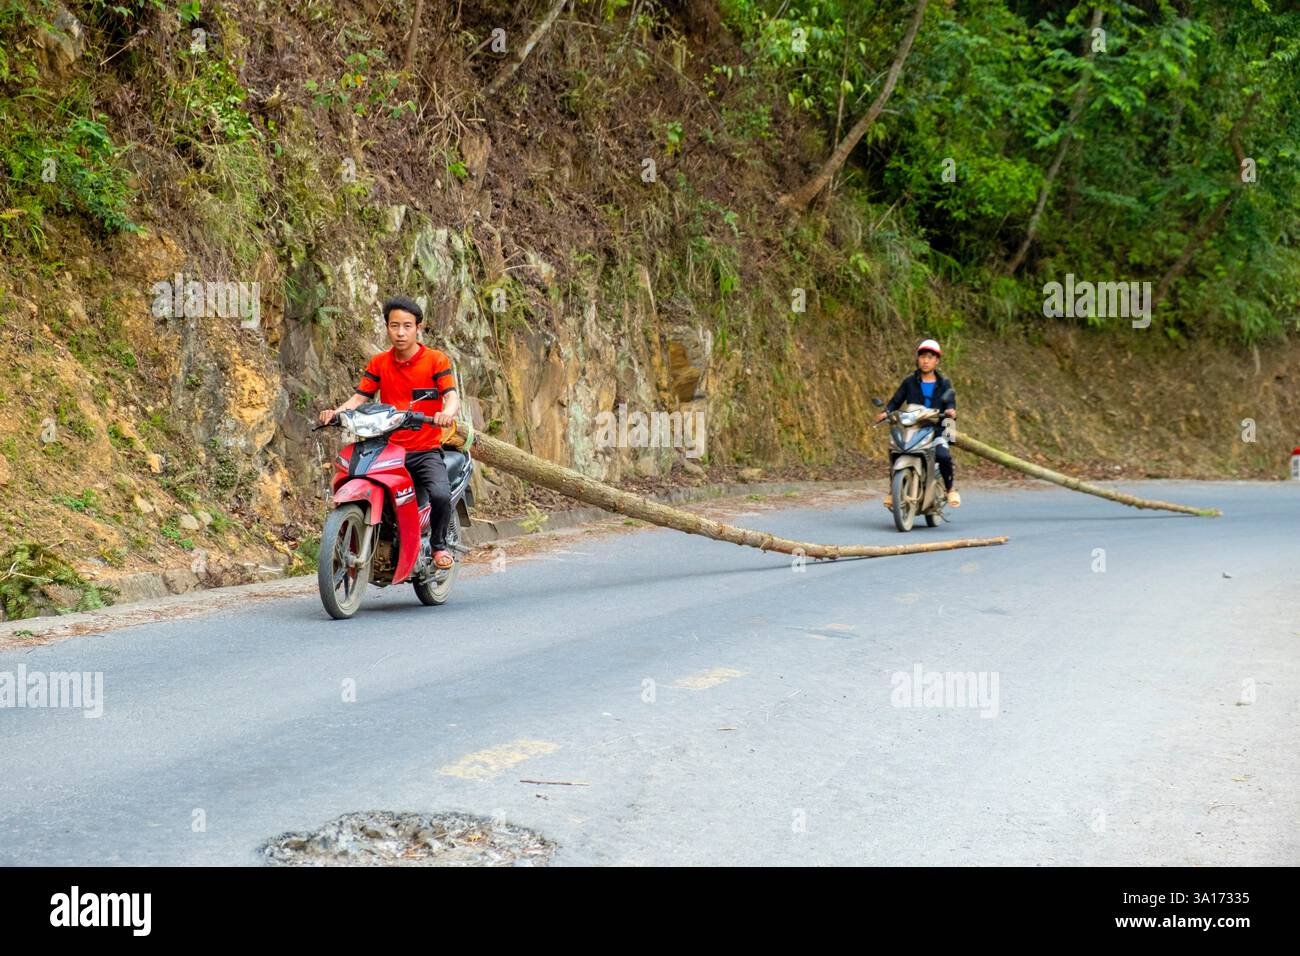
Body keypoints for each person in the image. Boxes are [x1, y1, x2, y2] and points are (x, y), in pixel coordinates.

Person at [318, 296, 460, 569]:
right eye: (394, 326)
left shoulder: (435, 360)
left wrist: (447, 413)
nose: (401, 332)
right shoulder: (380, 362)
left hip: (424, 450)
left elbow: (451, 396)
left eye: (407, 326)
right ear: (387, 327)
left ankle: (439, 546)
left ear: (419, 327)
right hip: (388, 450)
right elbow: (359, 398)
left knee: (441, 494)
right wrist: (336, 413)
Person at [874, 338, 960, 509]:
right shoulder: (909, 382)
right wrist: (886, 412)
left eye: (930, 357)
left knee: (943, 455)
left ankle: (950, 489)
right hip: (912, 430)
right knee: (895, 451)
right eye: (922, 357)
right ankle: (893, 490)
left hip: (936, 430)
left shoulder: (944, 384)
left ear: (937, 360)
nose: (925, 361)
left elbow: (950, 403)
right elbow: (896, 401)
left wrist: (950, 411)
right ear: (918, 359)